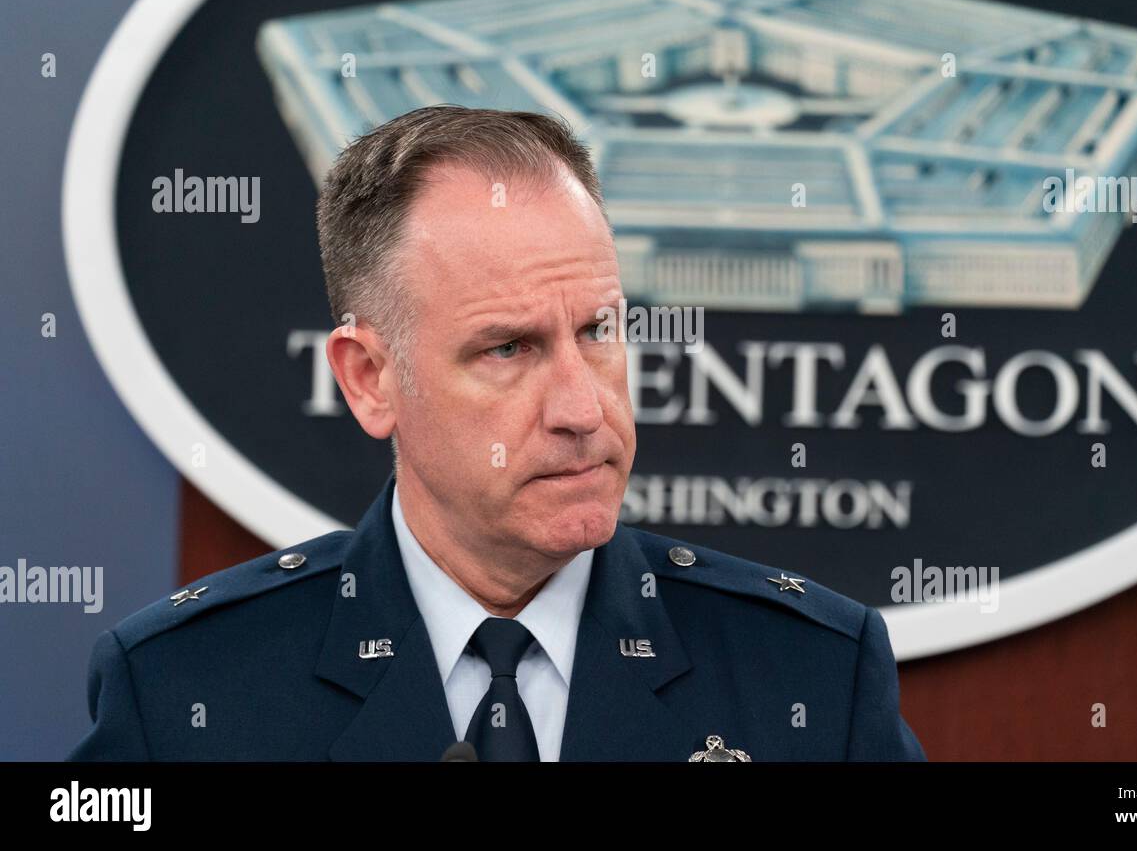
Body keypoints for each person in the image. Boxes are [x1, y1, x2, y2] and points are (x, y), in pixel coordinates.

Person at [68, 105, 926, 762]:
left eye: (597, 331)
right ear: (370, 379)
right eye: (507, 348)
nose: (583, 409)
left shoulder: (812, 676)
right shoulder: (182, 691)